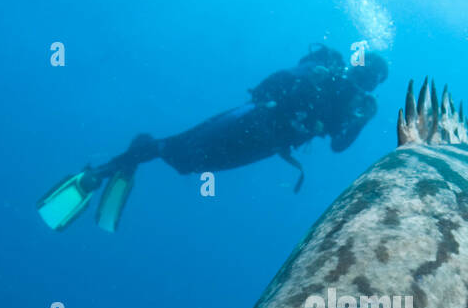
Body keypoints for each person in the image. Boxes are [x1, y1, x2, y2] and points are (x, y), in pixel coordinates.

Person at [37, 45, 388, 232]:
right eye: (366, 70)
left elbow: (339, 146)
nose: (365, 79)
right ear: (357, 64)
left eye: (372, 79)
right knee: (184, 152)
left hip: (269, 146)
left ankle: (134, 155)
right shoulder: (322, 73)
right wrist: (309, 81)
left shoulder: (355, 108)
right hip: (253, 118)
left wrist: (360, 120)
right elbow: (271, 84)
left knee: (189, 164)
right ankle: (105, 168)